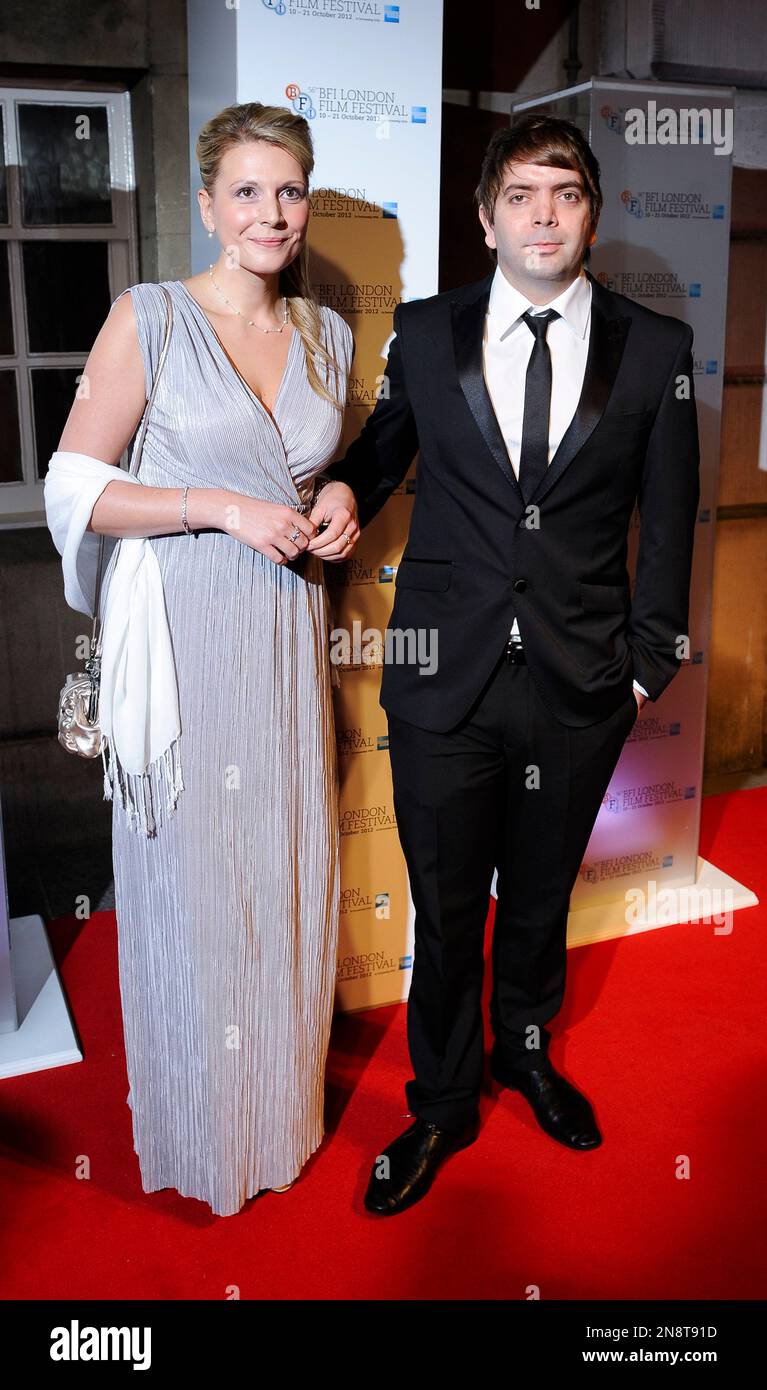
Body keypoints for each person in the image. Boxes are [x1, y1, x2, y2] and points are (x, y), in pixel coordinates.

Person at [322, 113, 700, 1215]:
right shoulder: (428, 333)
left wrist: (643, 668)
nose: (543, 213)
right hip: (443, 677)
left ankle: (524, 1053)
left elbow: (667, 524)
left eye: (566, 194)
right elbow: (387, 445)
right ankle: (437, 1101)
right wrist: (347, 483)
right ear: (484, 217)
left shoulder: (653, 350)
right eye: (522, 194)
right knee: (445, 908)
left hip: (579, 685)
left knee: (534, 901)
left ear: (589, 216)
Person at [44, 102, 361, 1217]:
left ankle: (275, 1114)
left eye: (288, 191)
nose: (270, 213)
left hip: (283, 636)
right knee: (192, 881)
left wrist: (337, 496)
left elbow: (329, 460)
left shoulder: (327, 331)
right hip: (185, 636)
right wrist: (215, 506)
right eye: (247, 191)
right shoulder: (152, 317)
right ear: (208, 202)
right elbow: (73, 485)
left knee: (278, 867)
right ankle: (201, 1129)